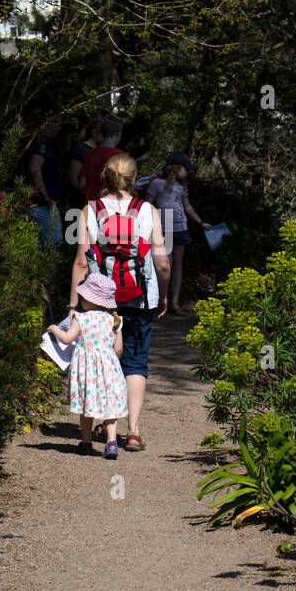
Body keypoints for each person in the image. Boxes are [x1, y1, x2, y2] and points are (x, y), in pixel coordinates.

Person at [69, 152, 170, 451]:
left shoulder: (90, 210)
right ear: (133, 179)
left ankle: (103, 422)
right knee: (135, 362)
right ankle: (133, 431)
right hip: (139, 297)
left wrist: (74, 305)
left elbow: (81, 263)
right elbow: (162, 263)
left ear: (105, 177)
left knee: (105, 359)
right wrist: (162, 296)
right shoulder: (147, 210)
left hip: (100, 300)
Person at [46, 272, 127, 458]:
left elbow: (67, 339)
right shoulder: (115, 320)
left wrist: (54, 329)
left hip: (87, 370)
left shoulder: (81, 319)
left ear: (87, 299)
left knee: (87, 404)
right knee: (110, 406)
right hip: (109, 369)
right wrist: (109, 361)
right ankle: (112, 443)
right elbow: (119, 349)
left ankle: (86, 442)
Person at [146, 152, 211, 315]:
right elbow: (147, 205)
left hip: (180, 227)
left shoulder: (182, 187)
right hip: (163, 226)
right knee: (165, 264)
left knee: (177, 265)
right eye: (185, 169)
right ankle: (161, 299)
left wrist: (200, 222)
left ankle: (174, 302)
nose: (187, 172)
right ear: (176, 168)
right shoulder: (157, 184)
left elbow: (187, 206)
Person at [25, 116, 63, 247]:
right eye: (58, 123)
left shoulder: (41, 142)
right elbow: (34, 166)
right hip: (42, 204)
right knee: (54, 244)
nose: (60, 127)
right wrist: (45, 196)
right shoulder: (41, 143)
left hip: (40, 203)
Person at [80, 116, 125, 203]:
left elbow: (82, 184)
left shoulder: (90, 154)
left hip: (91, 205)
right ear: (117, 134)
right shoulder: (120, 155)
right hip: (112, 205)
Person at [68, 115, 103, 201]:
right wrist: (87, 195)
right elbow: (72, 179)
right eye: (104, 133)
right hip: (80, 201)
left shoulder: (98, 151)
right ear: (95, 133)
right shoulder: (81, 150)